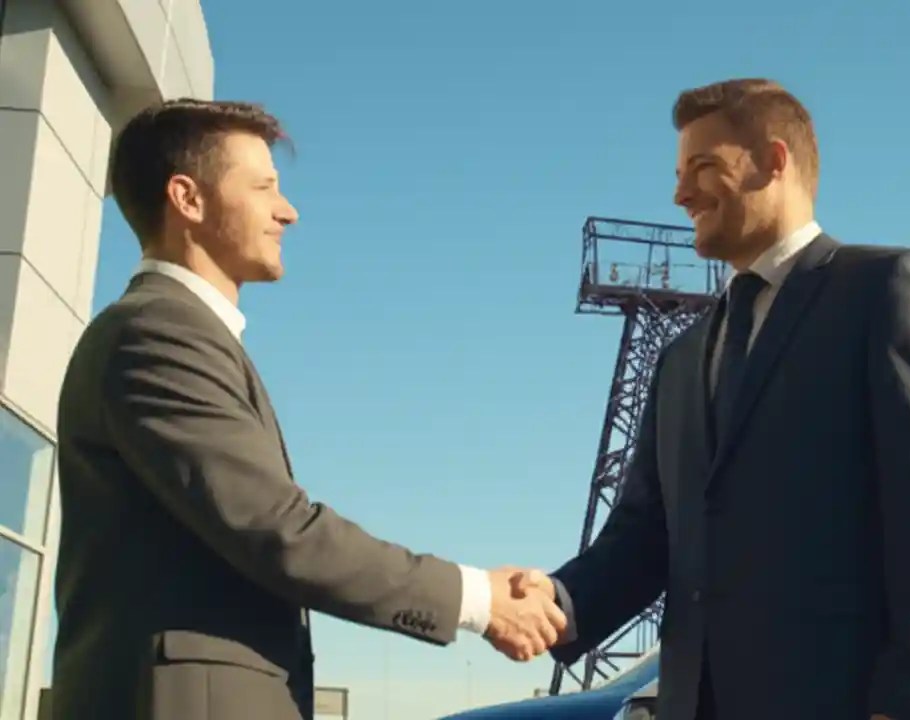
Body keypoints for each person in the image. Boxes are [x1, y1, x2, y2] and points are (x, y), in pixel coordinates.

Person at [50, 99, 564, 720]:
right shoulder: (157, 334)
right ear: (188, 199)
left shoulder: (179, 336)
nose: (287, 211)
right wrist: (477, 599)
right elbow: (277, 529)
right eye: (264, 187)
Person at [521, 79, 910, 719]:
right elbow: (644, 537)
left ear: (775, 161)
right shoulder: (681, 359)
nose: (680, 193)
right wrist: (554, 604)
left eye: (704, 167)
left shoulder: (886, 291)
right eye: (680, 172)